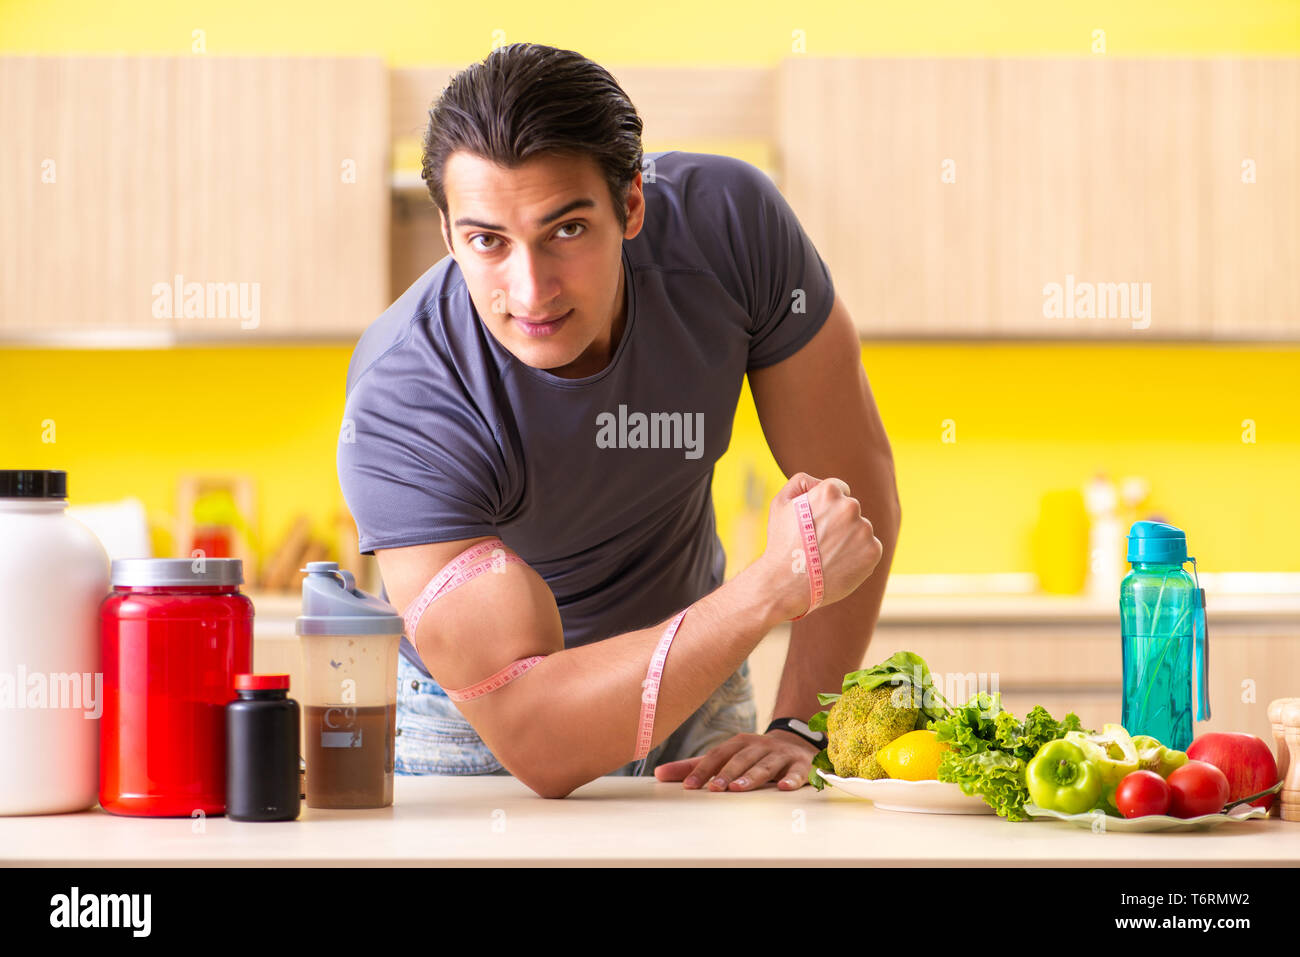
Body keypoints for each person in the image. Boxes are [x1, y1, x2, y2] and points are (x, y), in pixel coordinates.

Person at [337, 42, 900, 799]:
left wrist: (802, 726)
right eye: (487, 241)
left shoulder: (730, 229)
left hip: (700, 683)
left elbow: (851, 497)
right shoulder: (406, 393)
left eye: (565, 230)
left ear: (631, 204)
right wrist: (770, 587)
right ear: (446, 234)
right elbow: (538, 733)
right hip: (477, 726)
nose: (530, 289)